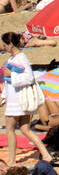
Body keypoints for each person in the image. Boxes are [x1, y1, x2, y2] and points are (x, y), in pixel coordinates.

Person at [1, 30, 49, 167]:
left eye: (5, 45)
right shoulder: (12, 59)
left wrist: (11, 75)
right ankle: (45, 153)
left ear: (10, 45)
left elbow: (29, 78)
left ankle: (11, 160)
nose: (3, 48)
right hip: (14, 96)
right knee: (25, 129)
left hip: (18, 99)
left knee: (10, 129)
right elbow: (8, 82)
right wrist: (4, 96)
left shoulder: (21, 58)